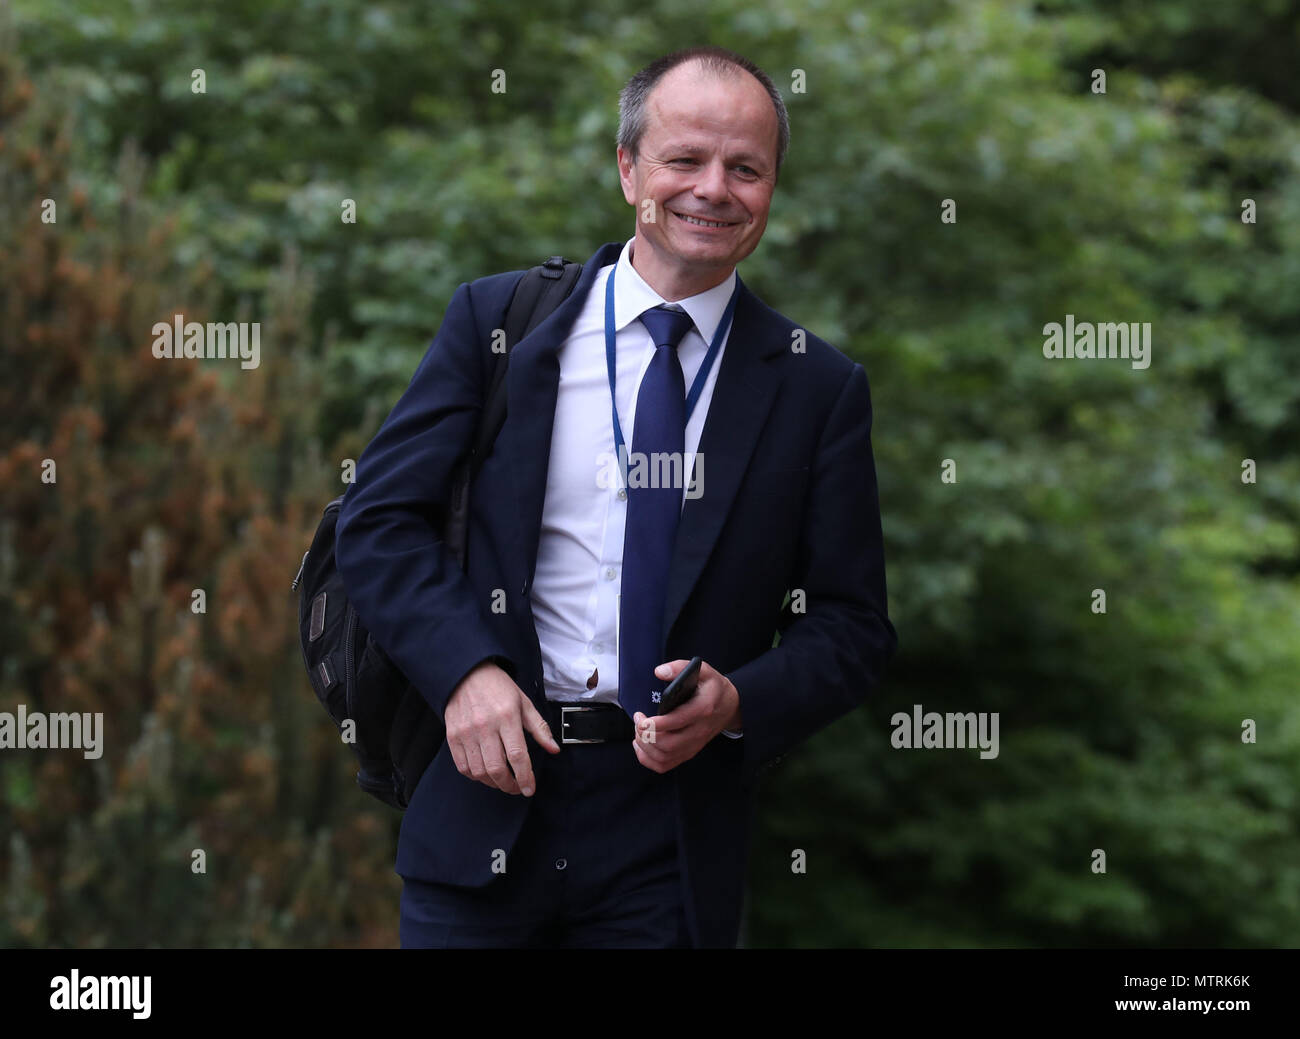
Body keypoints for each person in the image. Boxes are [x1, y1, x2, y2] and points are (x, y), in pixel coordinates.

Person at [335, 45, 897, 948]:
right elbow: (379, 522)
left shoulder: (816, 388)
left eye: (746, 168)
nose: (714, 188)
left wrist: (739, 700)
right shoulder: (498, 324)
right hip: (486, 801)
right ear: (629, 168)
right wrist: (465, 672)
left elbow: (854, 627)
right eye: (685, 159)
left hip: (669, 843)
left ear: (772, 190)